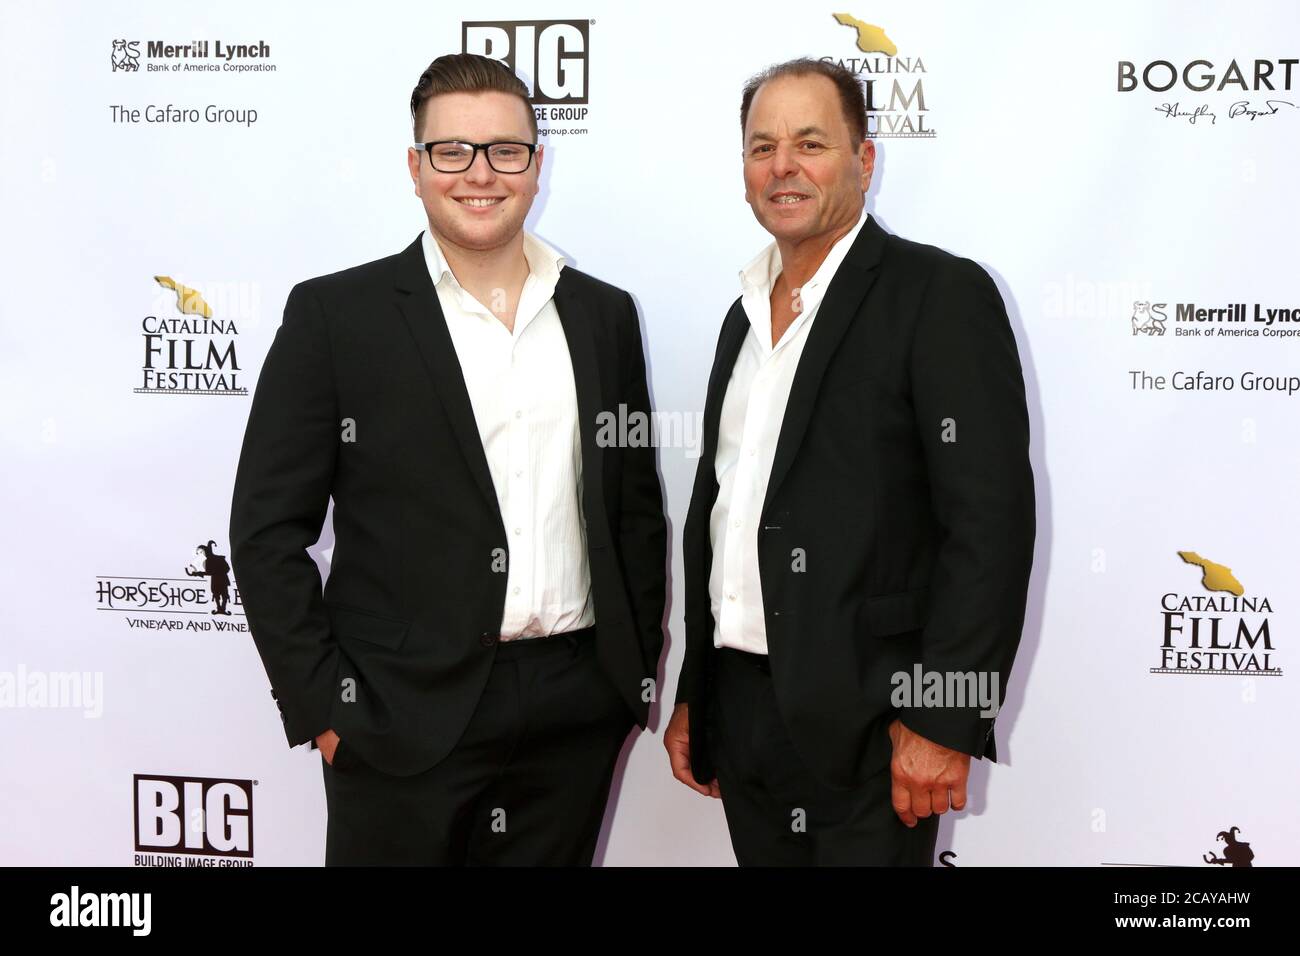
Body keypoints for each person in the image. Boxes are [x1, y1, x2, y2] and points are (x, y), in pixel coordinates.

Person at [230, 53, 666, 865]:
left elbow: (632, 510)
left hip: (572, 714)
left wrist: (624, 681)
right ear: (415, 166)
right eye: (451, 151)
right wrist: (326, 706)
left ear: (536, 165)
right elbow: (264, 531)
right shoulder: (337, 317)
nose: (480, 174)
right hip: (398, 718)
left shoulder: (602, 315)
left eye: (505, 150)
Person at [664, 57, 1035, 866]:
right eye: (762, 148)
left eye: (809, 143)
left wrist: (943, 717)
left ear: (864, 161)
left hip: (878, 727)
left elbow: (989, 523)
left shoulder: (939, 296)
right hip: (745, 710)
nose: (783, 167)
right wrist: (698, 689)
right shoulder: (742, 315)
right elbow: (728, 515)